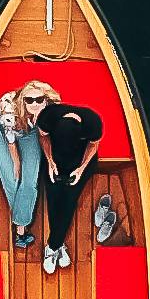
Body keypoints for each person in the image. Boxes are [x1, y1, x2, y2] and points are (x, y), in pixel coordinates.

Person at [34, 87, 105, 273]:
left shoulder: (92, 121)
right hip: (55, 158)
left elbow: (93, 146)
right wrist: (50, 162)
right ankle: (57, 246)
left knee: (69, 200)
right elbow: (43, 138)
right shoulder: (48, 116)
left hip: (80, 160)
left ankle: (52, 247)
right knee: (53, 198)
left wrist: (81, 170)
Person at [0, 79, 52, 253]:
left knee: (29, 181)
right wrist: (17, 163)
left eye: (39, 99)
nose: (34, 103)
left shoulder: (49, 107)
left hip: (28, 133)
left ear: (45, 99)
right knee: (13, 180)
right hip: (1, 132)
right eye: (29, 100)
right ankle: (21, 232)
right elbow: (11, 141)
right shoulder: (9, 110)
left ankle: (20, 226)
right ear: (23, 99)